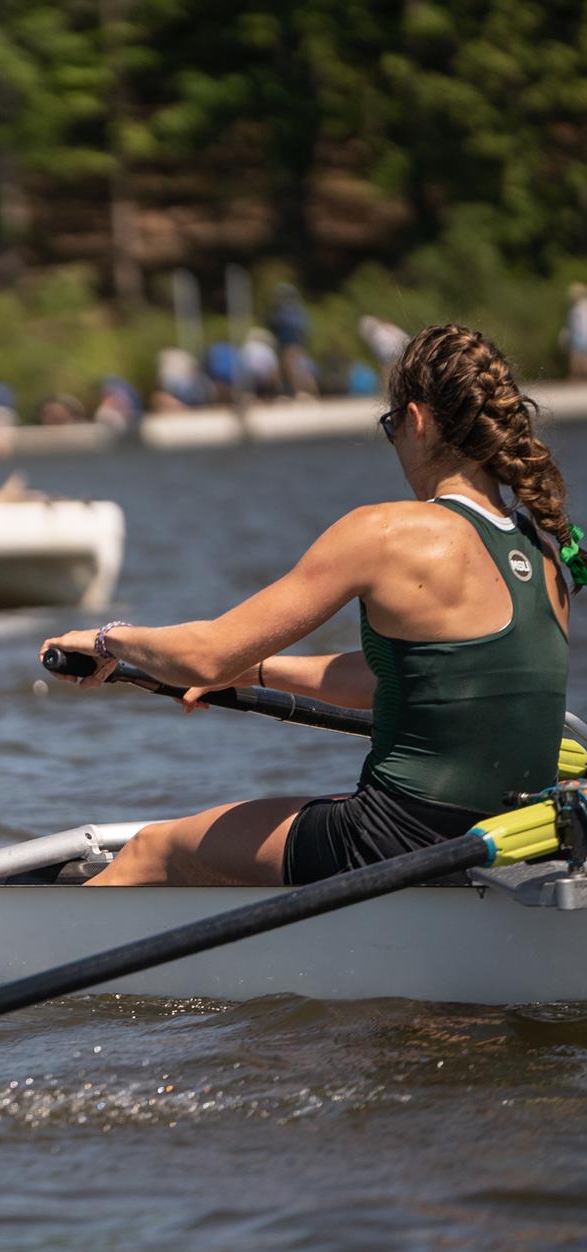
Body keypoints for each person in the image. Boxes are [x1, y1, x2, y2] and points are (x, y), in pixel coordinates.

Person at [41, 323, 571, 886]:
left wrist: (107, 640)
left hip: (399, 837)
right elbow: (408, 680)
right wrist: (257, 670)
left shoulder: (385, 532)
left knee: (154, 849)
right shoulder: (543, 552)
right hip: (516, 839)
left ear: (416, 420)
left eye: (391, 425)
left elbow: (205, 656)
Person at [562, 283, 587, 381]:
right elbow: (570, 325)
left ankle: (579, 377)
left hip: (583, 335)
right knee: (575, 357)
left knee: (581, 357)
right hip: (576, 336)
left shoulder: (582, 307)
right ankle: (576, 376)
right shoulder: (574, 308)